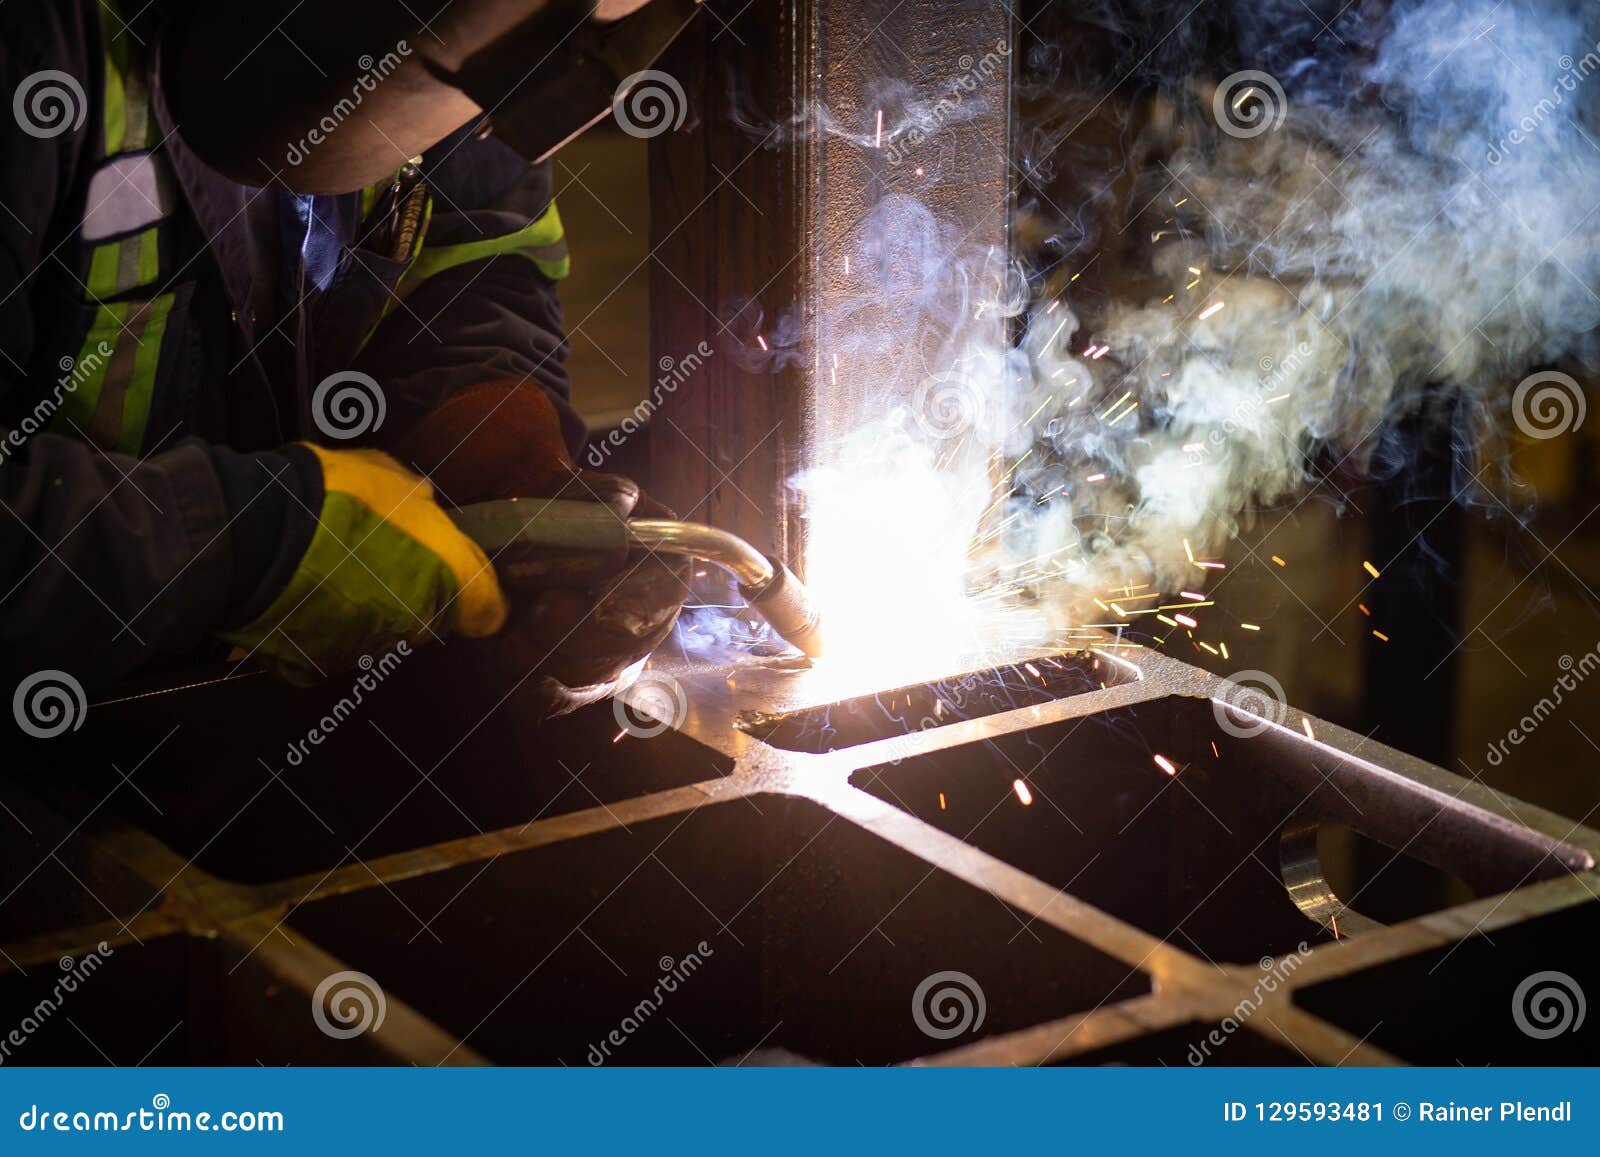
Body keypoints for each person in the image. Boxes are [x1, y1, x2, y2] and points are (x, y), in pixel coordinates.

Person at [0, 0, 686, 707]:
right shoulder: (40, 49)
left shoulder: (500, 32)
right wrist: (230, 545)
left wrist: (505, 464)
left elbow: (478, 264)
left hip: (252, 727)